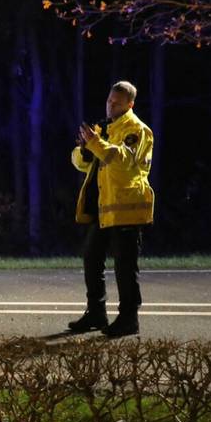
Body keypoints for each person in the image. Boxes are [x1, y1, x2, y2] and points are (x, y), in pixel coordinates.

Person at [67, 80, 155, 338]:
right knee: (91, 259)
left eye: (116, 102)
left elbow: (123, 161)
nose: (110, 105)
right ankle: (96, 313)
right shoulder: (104, 129)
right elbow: (84, 163)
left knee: (125, 268)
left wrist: (95, 143)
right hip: (104, 208)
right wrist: (85, 148)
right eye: (109, 100)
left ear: (130, 104)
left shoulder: (137, 130)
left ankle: (129, 319)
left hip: (126, 210)